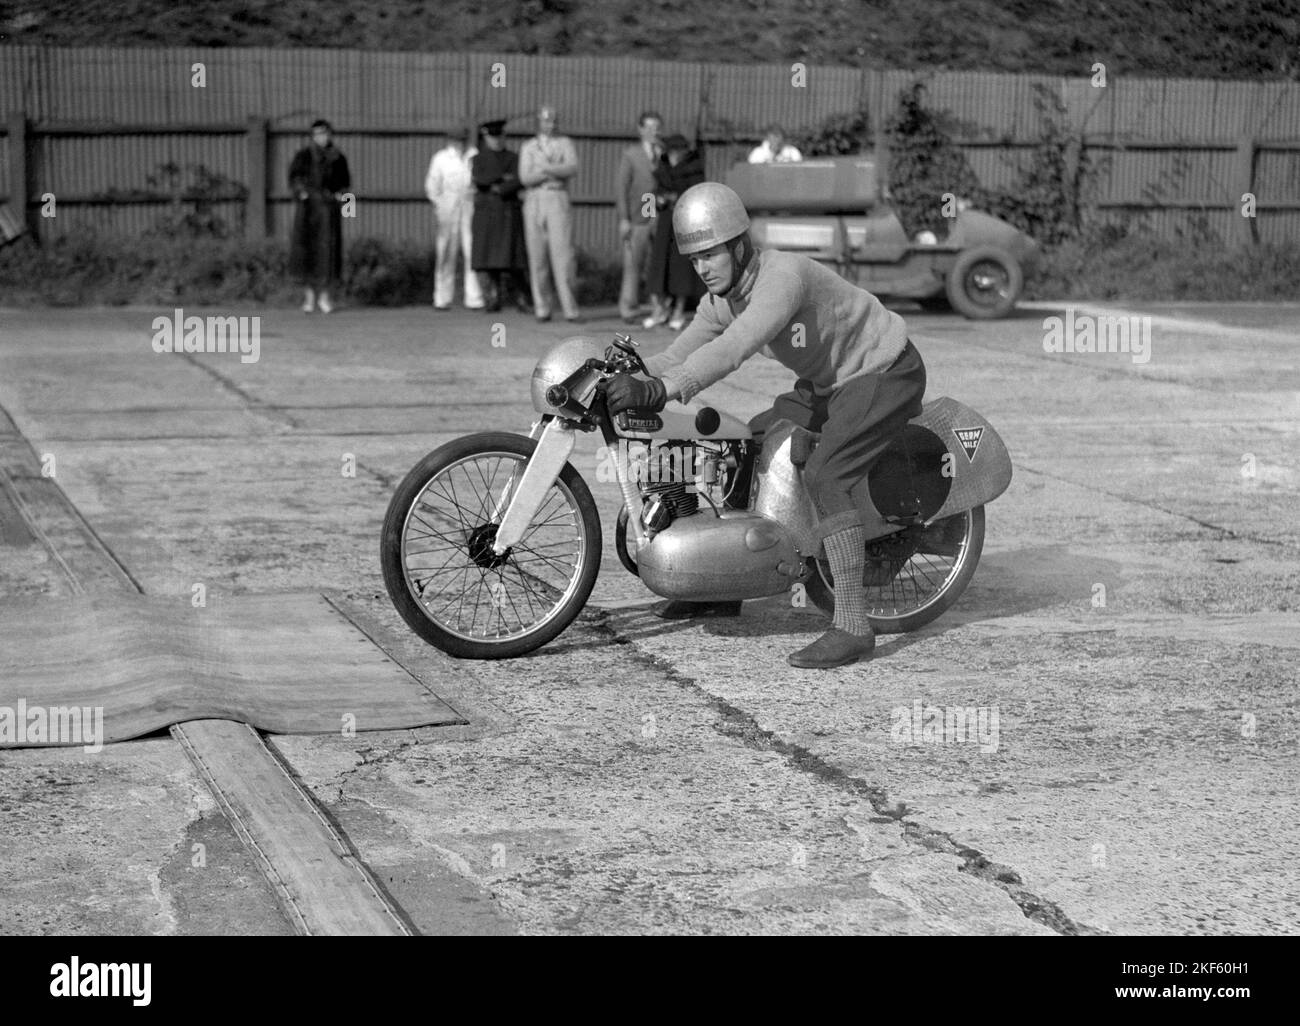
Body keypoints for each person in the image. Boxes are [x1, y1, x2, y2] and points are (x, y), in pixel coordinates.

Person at [604, 182, 926, 670]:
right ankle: (723, 585)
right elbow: (678, 353)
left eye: (711, 254)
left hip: (883, 370)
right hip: (829, 383)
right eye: (694, 259)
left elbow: (735, 347)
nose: (703, 268)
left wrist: (664, 389)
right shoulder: (721, 298)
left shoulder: (782, 278)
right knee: (745, 441)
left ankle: (854, 627)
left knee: (826, 475)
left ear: (738, 245)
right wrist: (630, 377)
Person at [519, 105, 581, 323]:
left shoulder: (564, 143)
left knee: (563, 255)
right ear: (538, 122)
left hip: (557, 197)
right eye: (546, 121)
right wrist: (553, 170)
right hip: (534, 199)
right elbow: (525, 177)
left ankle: (570, 308)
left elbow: (572, 168)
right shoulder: (528, 146)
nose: (550, 125)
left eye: (553, 120)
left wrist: (545, 169)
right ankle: (542, 308)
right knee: (537, 257)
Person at [644, 134, 707, 331]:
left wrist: (676, 198)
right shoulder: (661, 169)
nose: (671, 154)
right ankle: (659, 309)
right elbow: (650, 195)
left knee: (681, 268)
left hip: (684, 223)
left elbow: (698, 195)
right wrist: (651, 213)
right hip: (663, 222)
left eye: (675, 150)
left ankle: (679, 311)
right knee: (658, 265)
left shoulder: (694, 170)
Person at [288, 119, 351, 313]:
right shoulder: (303, 156)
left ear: (330, 134)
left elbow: (346, 185)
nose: (321, 138)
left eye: (325, 133)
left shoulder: (338, 157)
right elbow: (294, 179)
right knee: (306, 251)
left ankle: (325, 297)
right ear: (312, 136)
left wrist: (348, 209)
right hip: (307, 211)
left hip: (329, 211)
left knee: (328, 253)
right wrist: (301, 192)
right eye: (317, 134)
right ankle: (309, 298)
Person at [470, 119, 530, 314]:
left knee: (513, 258)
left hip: (508, 212)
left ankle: (523, 298)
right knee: (486, 260)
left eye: (500, 136)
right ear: (486, 138)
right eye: (492, 137)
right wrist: (501, 178)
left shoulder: (513, 158)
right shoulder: (478, 159)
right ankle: (492, 298)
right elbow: (479, 179)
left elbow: (519, 180)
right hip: (486, 213)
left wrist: (498, 185)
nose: (497, 141)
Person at [425, 127, 484, 311]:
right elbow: (432, 185)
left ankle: (473, 297)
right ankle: (441, 297)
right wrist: (439, 205)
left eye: (462, 139)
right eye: (455, 139)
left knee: (471, 251)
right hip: (448, 205)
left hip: (469, 204)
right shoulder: (441, 158)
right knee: (446, 252)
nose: (459, 143)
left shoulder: (474, 155)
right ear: (449, 140)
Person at [614, 110, 664, 325]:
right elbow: (621, 187)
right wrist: (624, 218)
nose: (654, 131)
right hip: (637, 216)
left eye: (657, 127)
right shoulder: (631, 155)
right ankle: (629, 307)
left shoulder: (664, 152)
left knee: (657, 263)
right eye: (649, 127)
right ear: (640, 129)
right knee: (633, 262)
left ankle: (659, 307)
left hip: (659, 215)